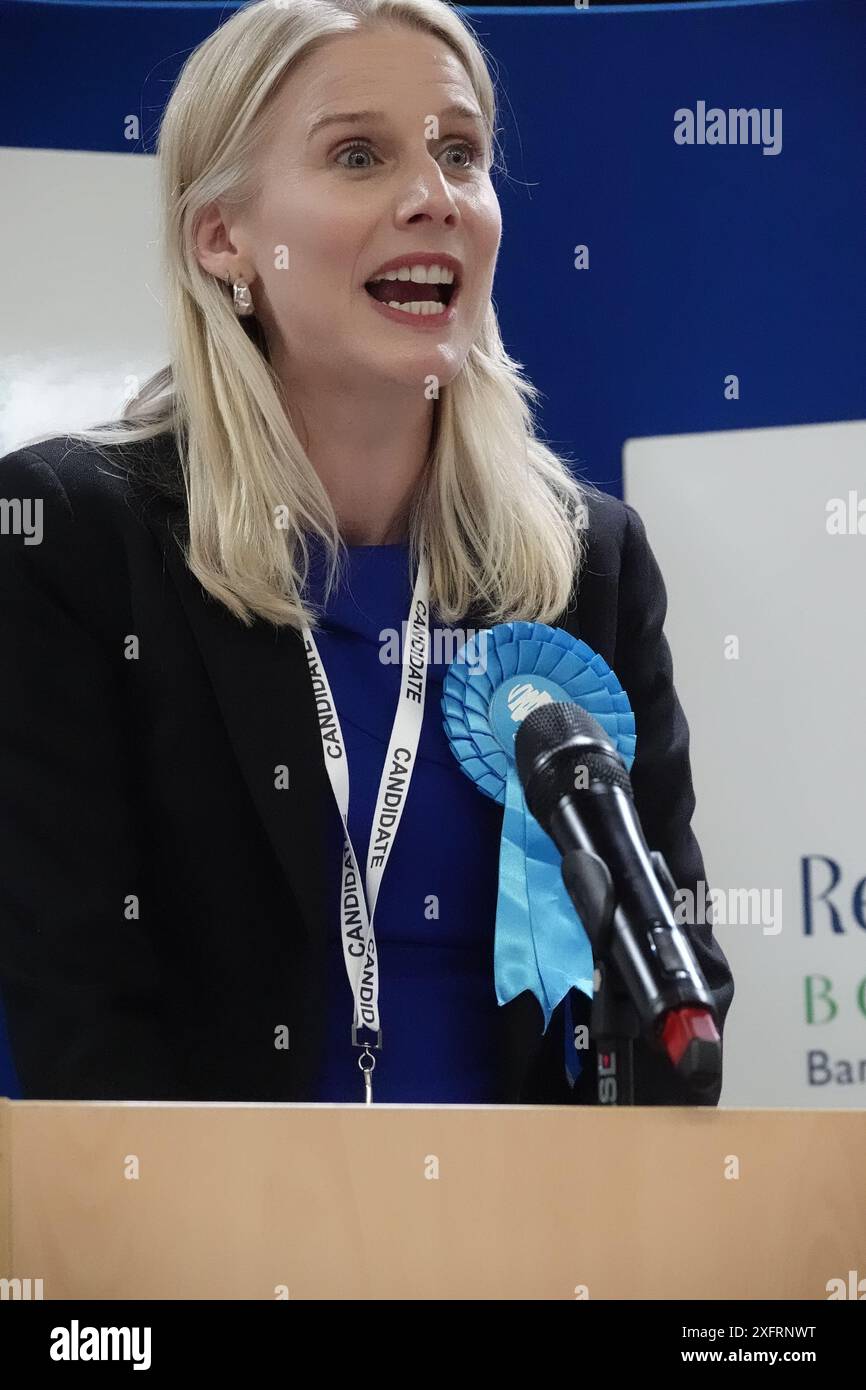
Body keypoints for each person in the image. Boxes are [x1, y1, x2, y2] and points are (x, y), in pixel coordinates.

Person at [0, 0, 733, 1105]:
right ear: (223, 237)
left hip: (539, 1214)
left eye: (460, 155)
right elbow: (81, 1018)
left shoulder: (586, 558)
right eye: (358, 155)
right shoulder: (74, 537)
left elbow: (674, 994)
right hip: (212, 1213)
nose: (434, 196)